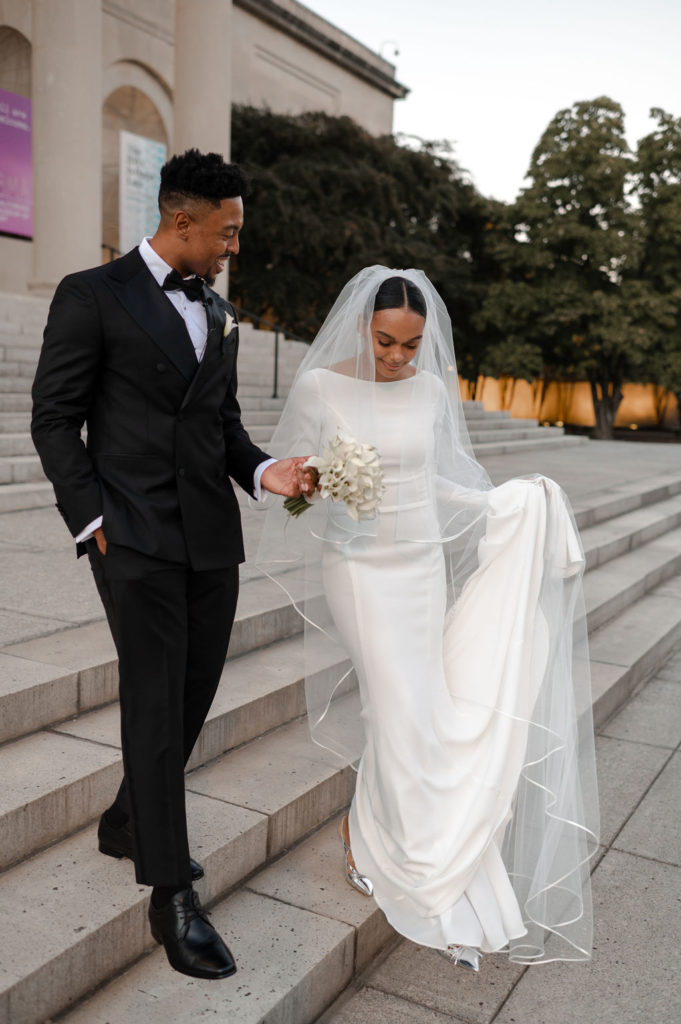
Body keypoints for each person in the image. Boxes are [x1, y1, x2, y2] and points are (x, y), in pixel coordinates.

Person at [255, 266, 599, 970]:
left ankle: (375, 835)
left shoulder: (432, 390)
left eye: (409, 347)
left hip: (419, 572)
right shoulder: (322, 385)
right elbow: (299, 481)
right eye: (385, 342)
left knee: (414, 713)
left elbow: (433, 478)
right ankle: (391, 853)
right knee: (396, 705)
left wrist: (497, 504)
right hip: (357, 572)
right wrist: (323, 483)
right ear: (362, 327)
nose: (396, 358)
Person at [31, 150, 312, 980]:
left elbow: (221, 428)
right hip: (134, 539)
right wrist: (91, 518)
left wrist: (269, 472)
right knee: (155, 704)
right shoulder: (91, 294)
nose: (232, 246)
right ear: (181, 220)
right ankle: (169, 898)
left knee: (191, 697)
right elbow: (55, 419)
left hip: (211, 540)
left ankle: (127, 821)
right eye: (225, 231)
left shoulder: (216, 311)